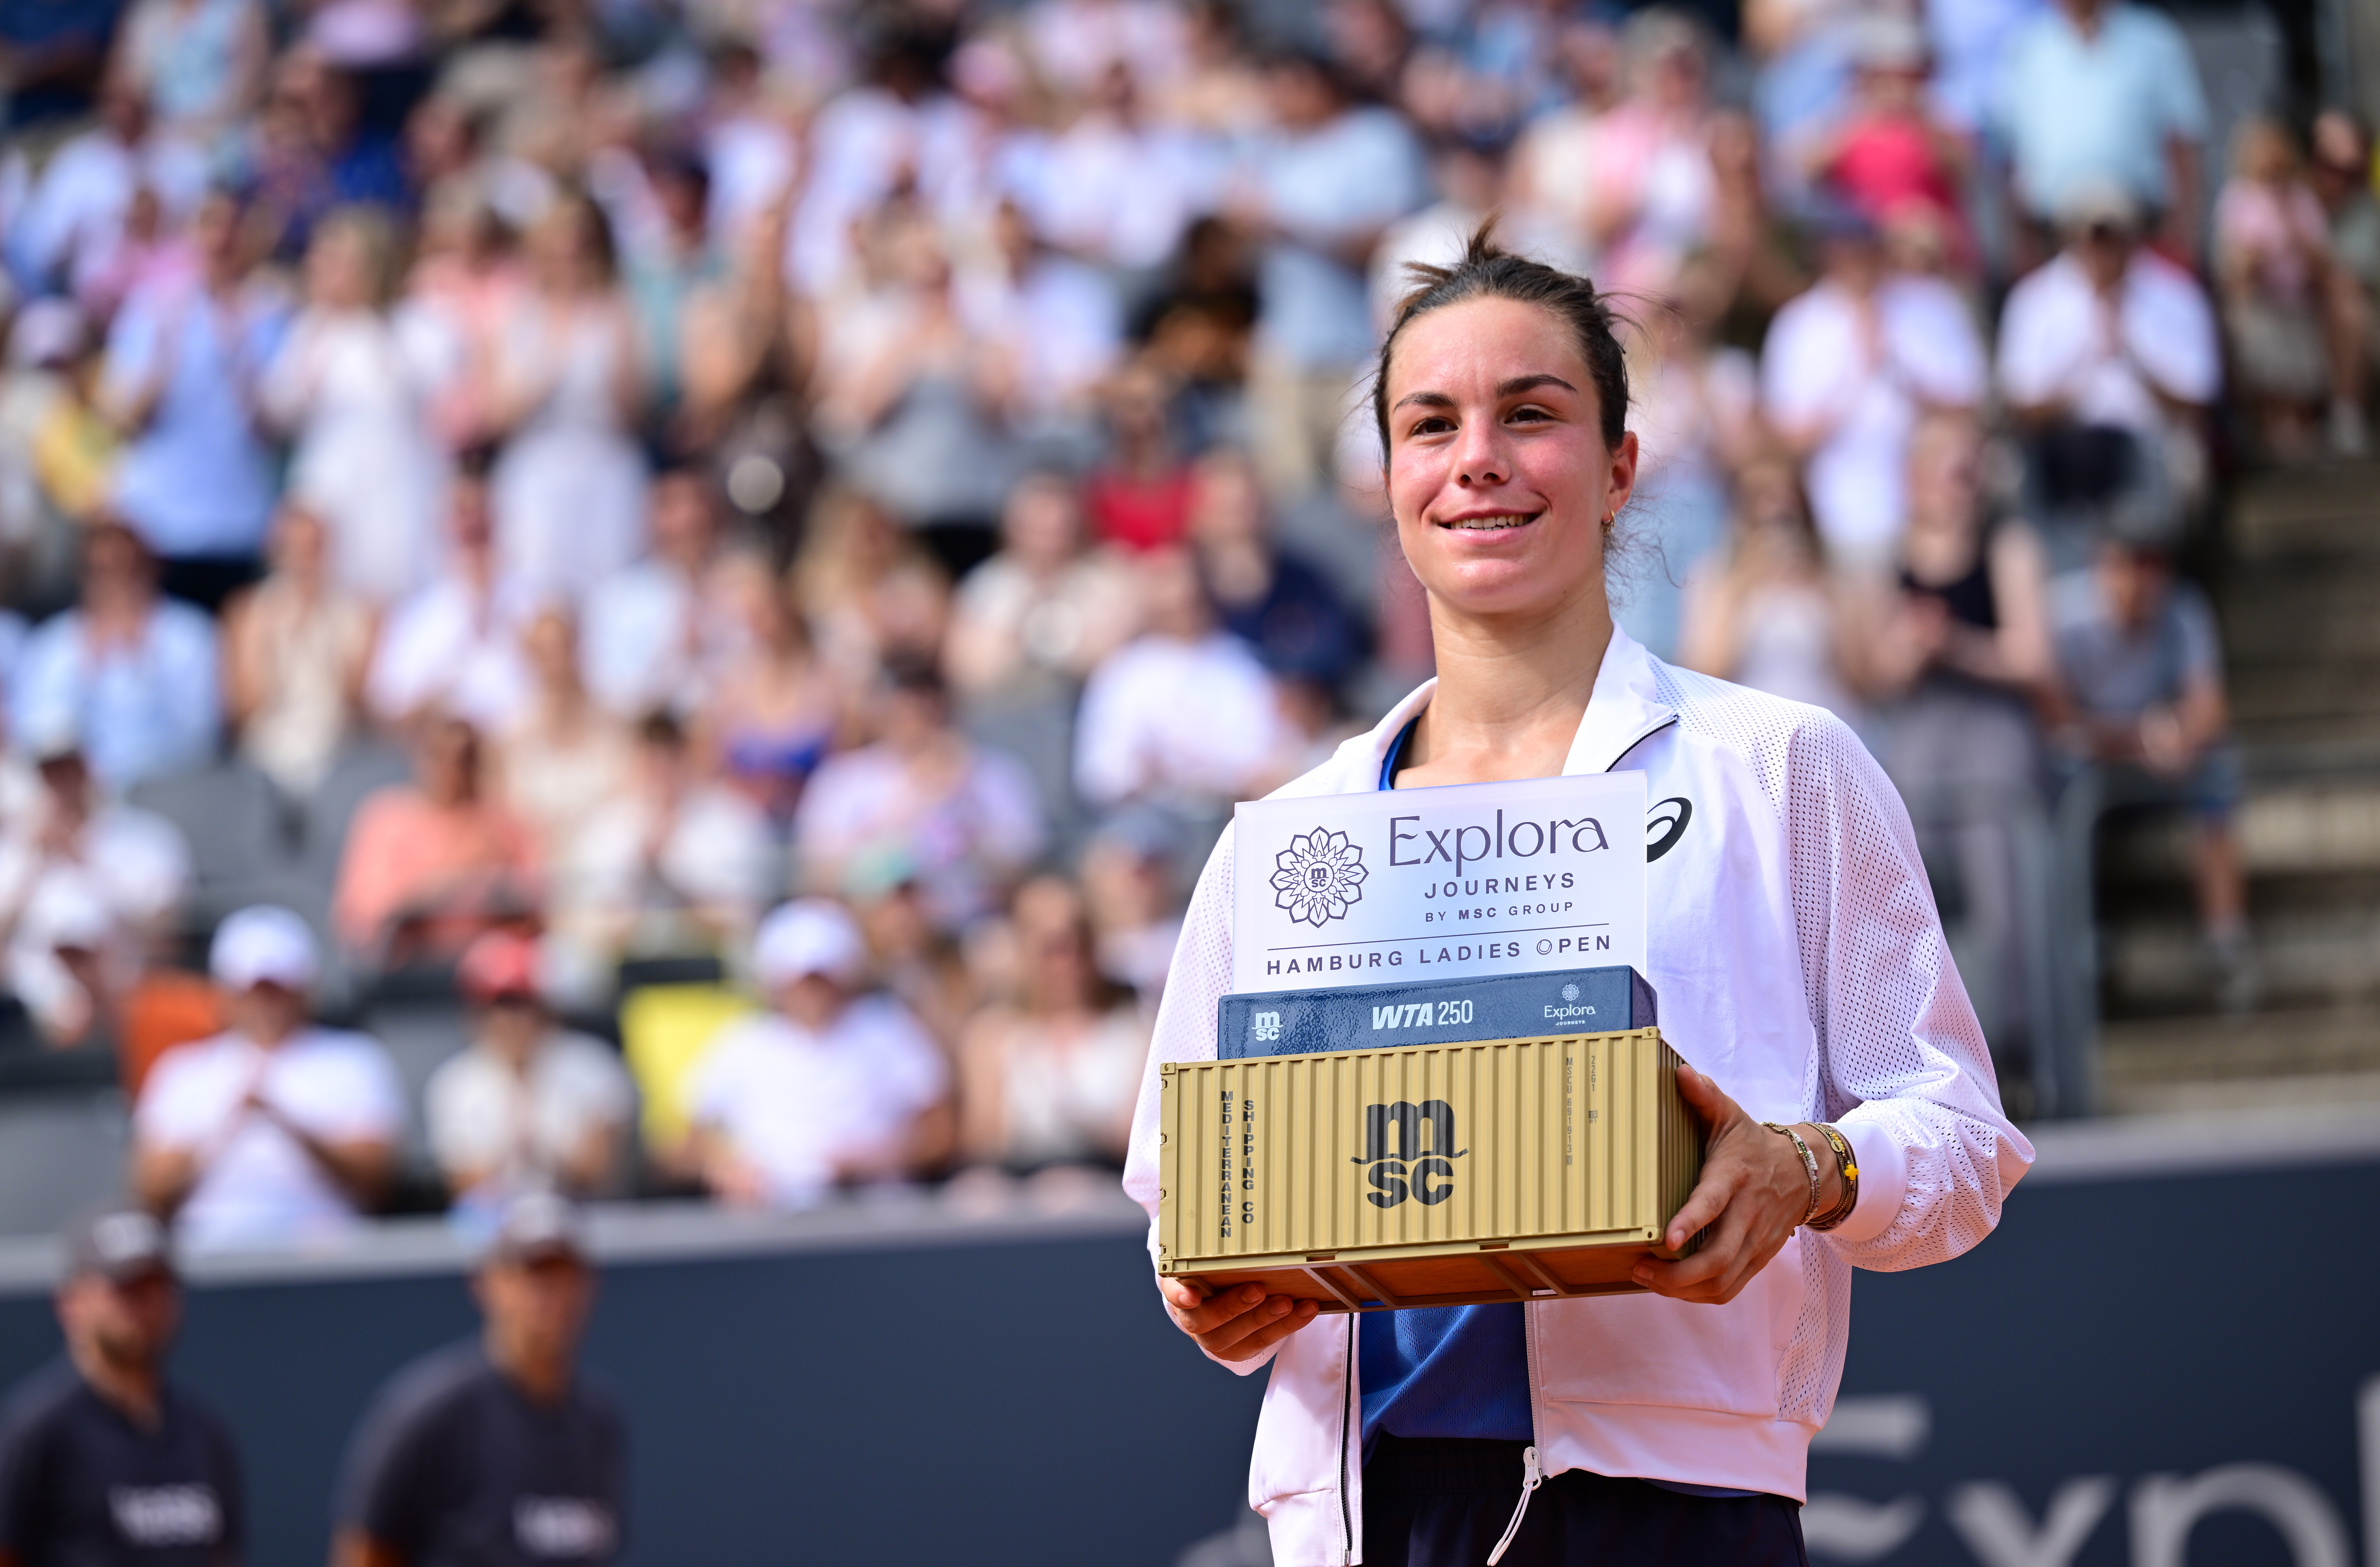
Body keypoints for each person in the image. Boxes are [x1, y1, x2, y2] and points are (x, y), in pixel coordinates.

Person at [1124, 228, 2028, 1566]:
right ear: (1387, 482)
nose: (1476, 458)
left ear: (1617, 469)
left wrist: (1809, 1168)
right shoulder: (1284, 834)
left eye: (1529, 415)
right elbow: (1179, 1187)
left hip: (1678, 1501)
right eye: (1430, 424)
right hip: (1361, 1512)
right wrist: (1203, 1285)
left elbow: (1961, 1141)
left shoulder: (1777, 768)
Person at [331, 1190, 627, 1567]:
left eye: (562, 1273)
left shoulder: (599, 1418)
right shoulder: (428, 1410)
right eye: (531, 1272)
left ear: (588, 1286)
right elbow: (365, 1552)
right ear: (488, 1283)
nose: (548, 1295)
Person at [2047, 526, 2251, 1009]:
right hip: (2093, 767)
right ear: (2101, 564)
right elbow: (2056, 721)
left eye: (2149, 565)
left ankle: (2226, 944)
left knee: (2216, 771)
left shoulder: (2182, 608)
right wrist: (2142, 738)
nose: (2138, 581)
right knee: (2061, 783)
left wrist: (2179, 737)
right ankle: (2088, 945)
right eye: (2125, 564)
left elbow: (2209, 709)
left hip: (2163, 768)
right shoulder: (2061, 615)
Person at [131, 905, 404, 1252]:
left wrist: (286, 1120)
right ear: (226, 992)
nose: (266, 1004)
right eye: (253, 990)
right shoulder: (182, 1070)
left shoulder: (355, 1060)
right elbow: (150, 1189)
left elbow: (378, 1179)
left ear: (306, 988)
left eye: (278, 989)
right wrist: (228, 1122)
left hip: (327, 1248)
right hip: (208, 1250)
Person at [0, 1208, 244, 1565]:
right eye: (126, 1289)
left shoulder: (203, 1430)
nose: (145, 1306)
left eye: (157, 1287)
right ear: (72, 1302)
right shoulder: (36, 1429)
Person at [680, 899, 950, 1210]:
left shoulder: (887, 1030)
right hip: (767, 1224)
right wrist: (725, 1166)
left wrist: (875, 1160)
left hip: (875, 1217)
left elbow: (942, 1131)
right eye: (799, 979)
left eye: (821, 978)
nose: (811, 991)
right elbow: (683, 1145)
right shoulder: (743, 1042)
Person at [1758, 201, 1985, 571]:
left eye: (1863, 245)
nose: (1855, 258)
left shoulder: (1931, 304)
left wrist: (1896, 366)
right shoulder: (1797, 324)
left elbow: (1969, 407)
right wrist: (1853, 378)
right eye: (1843, 247)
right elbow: (1787, 437)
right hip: (1849, 516)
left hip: (1936, 517)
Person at [96, 188, 285, 613]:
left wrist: (240, 352)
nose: (221, 240)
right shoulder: (152, 309)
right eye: (210, 226)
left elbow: (274, 429)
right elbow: (120, 420)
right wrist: (164, 359)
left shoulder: (269, 312)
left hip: (240, 521)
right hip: (160, 521)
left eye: (232, 228)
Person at [1996, 184, 2220, 530]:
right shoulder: (2032, 299)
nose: (2102, 252)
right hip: (2062, 446)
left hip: (2152, 439)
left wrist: (2131, 355)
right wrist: (2083, 367)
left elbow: (2198, 403)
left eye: (2112, 239)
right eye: (2092, 240)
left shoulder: (2178, 294)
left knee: (2184, 469)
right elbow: (2020, 408)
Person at [258, 205, 445, 604]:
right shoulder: (309, 331)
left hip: (397, 491)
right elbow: (280, 413)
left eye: (338, 261)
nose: (322, 270)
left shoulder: (413, 326)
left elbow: (432, 398)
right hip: (329, 488)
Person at [792, 659, 1043, 932]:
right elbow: (820, 877)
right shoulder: (842, 780)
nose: (913, 719)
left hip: (973, 926)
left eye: (924, 706)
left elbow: (1021, 870)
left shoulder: (993, 774)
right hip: (872, 928)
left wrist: (965, 806)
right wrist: (904, 815)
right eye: (902, 706)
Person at [0, 732, 190, 1049]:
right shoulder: (14, 852)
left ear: (88, 770)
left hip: (125, 1001)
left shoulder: (141, 838)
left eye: (69, 770)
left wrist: (87, 861)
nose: (62, 783)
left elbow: (166, 936)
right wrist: (34, 862)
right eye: (51, 774)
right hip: (31, 1019)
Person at [425, 930, 635, 1208]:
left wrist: (537, 1149)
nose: (511, 1019)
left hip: (585, 1218)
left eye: (521, 1003)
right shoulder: (454, 1081)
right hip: (495, 1229)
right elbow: (466, 1187)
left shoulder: (592, 1065)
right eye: (498, 1005)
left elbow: (595, 1174)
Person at [1991, 0, 2209, 266]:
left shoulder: (2155, 40)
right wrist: (2021, 248)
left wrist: (2183, 236)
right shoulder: (2027, 46)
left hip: (2141, 235)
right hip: (2053, 236)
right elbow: (2010, 155)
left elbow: (2182, 142)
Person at [1072, 544, 1285, 814]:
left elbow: (1264, 754)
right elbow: (1098, 772)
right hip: (1150, 816)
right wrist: (1139, 771)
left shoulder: (1241, 664)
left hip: (1230, 812)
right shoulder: (1123, 671)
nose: (1182, 602)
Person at [11, 520, 221, 792]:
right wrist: (88, 668)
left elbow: (201, 741)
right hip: (79, 797)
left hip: (172, 791)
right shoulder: (52, 644)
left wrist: (141, 661)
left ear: (152, 568)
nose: (116, 583)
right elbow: (36, 737)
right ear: (82, 575)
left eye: (129, 568)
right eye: (102, 572)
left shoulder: (192, 634)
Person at [955, 877, 1146, 1171]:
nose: (1066, 962)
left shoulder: (1137, 1027)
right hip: (1021, 1191)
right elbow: (984, 1140)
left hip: (1111, 1185)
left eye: (1077, 944)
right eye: (1051, 949)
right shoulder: (990, 1035)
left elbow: (1136, 1138)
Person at [2212, 117, 2371, 459]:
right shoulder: (2238, 200)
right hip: (2263, 306)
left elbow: (2325, 263)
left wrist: (2299, 241)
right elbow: (2233, 270)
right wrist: (2255, 257)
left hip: (2301, 304)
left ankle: (2335, 416)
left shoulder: (2301, 200)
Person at [331, 715, 538, 967]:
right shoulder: (389, 820)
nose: (452, 770)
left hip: (487, 968)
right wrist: (454, 884)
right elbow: (370, 917)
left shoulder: (502, 825)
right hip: (410, 970)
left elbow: (533, 905)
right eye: (440, 756)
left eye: (465, 759)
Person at [220, 504, 378, 800]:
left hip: (339, 759)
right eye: (296, 548)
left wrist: (321, 632)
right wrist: (272, 642)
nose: (306, 559)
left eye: (314, 547)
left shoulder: (360, 613)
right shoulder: (249, 612)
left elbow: (358, 705)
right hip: (265, 763)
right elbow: (242, 712)